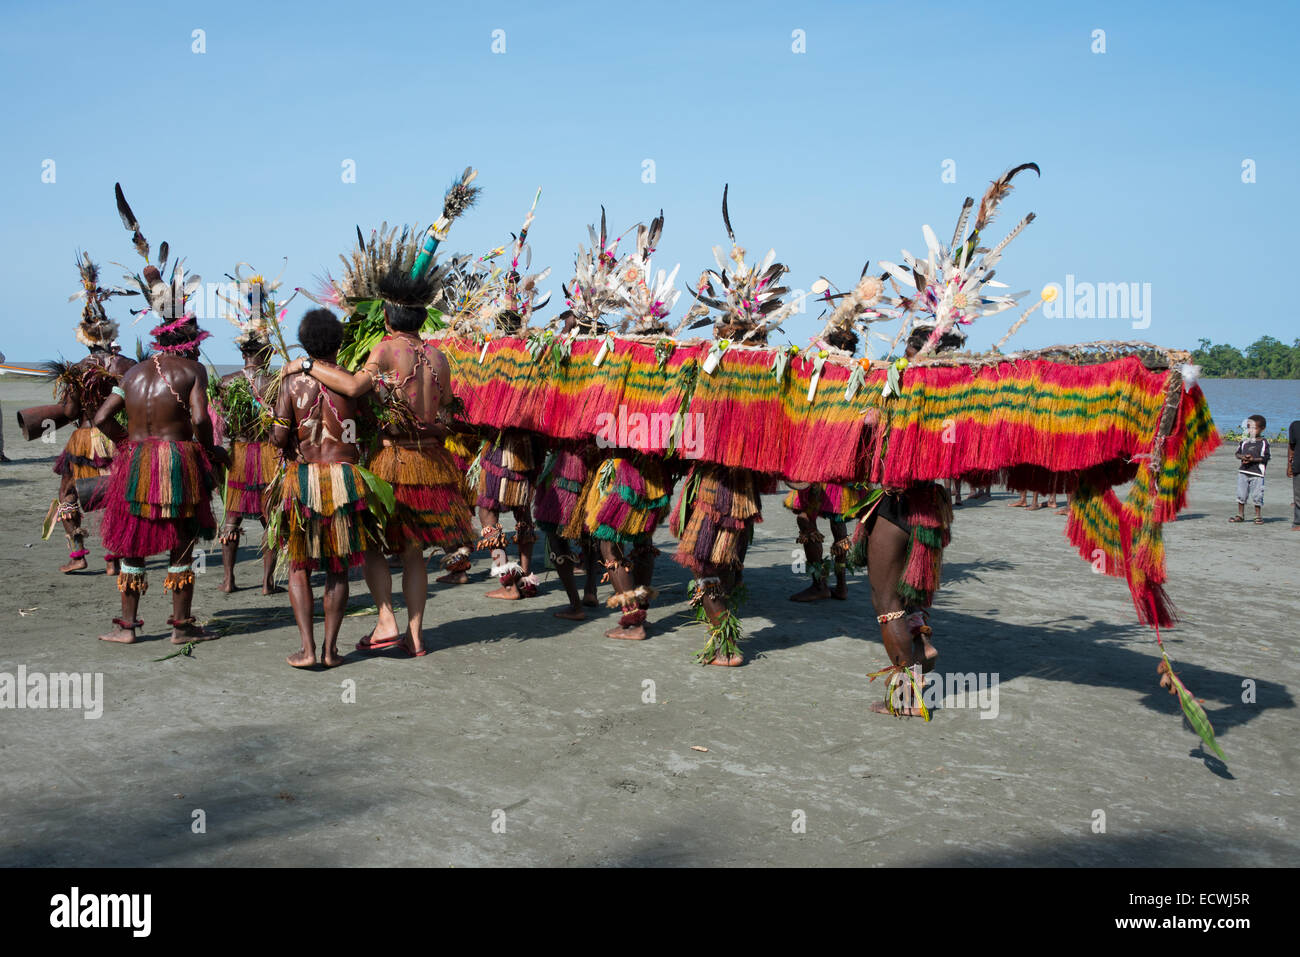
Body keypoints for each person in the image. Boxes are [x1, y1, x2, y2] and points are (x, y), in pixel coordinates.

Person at [287, 269, 474, 657]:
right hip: (433, 465)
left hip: (395, 460)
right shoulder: (439, 357)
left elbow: (354, 387)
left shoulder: (386, 350)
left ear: (388, 318)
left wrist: (305, 367)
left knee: (373, 542)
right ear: (422, 319)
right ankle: (416, 635)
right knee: (414, 553)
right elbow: (445, 419)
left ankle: (386, 619)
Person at [93, 303, 224, 645]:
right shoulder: (193, 370)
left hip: (137, 460)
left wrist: (128, 445)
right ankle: (181, 627)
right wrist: (210, 451)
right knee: (182, 542)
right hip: (177, 460)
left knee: (131, 540)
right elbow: (199, 419)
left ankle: (127, 627)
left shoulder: (131, 374)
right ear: (191, 341)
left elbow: (101, 419)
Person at [270, 310, 379, 668]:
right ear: (340, 342)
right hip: (345, 480)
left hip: (304, 479)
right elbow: (370, 426)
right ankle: (332, 651)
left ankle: (308, 649)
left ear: (305, 344)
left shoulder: (290, 383)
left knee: (299, 566)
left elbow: (279, 437)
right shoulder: (353, 381)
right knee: (338, 567)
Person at [45, 255, 136, 573]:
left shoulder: (77, 370)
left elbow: (69, 410)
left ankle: (79, 556)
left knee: (68, 494)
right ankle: (115, 559)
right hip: (117, 437)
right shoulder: (127, 366)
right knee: (116, 495)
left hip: (84, 439)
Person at [214, 320, 278, 593]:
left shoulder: (226, 383)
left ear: (243, 354)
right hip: (269, 454)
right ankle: (267, 582)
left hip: (238, 455)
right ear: (267, 353)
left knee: (232, 516)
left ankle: (228, 579)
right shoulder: (276, 382)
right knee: (271, 518)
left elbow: (221, 427)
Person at [1231, 414, 1269, 525]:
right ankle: (1240, 515)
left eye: (1254, 428)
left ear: (1262, 429)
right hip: (1243, 472)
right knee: (1241, 494)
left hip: (1257, 473)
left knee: (1257, 495)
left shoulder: (1263, 442)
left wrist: (1253, 459)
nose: (1251, 430)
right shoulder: (1244, 441)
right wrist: (1242, 457)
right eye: (1249, 427)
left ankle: (1257, 515)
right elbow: (1237, 454)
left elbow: (1265, 458)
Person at [1289, 418, 1300, 531]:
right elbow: (1291, 446)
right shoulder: (1295, 426)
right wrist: (1289, 465)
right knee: (1298, 496)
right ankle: (1298, 521)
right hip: (1298, 465)